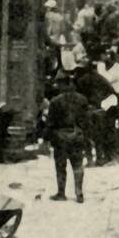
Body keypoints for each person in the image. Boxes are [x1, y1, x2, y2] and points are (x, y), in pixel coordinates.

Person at [45, 71, 90, 202]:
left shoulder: (55, 101)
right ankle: (79, 192)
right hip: (77, 136)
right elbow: (86, 121)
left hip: (61, 137)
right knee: (78, 165)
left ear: (61, 84)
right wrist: (85, 136)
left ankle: (61, 193)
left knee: (60, 166)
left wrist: (48, 137)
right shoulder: (82, 99)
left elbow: (50, 123)